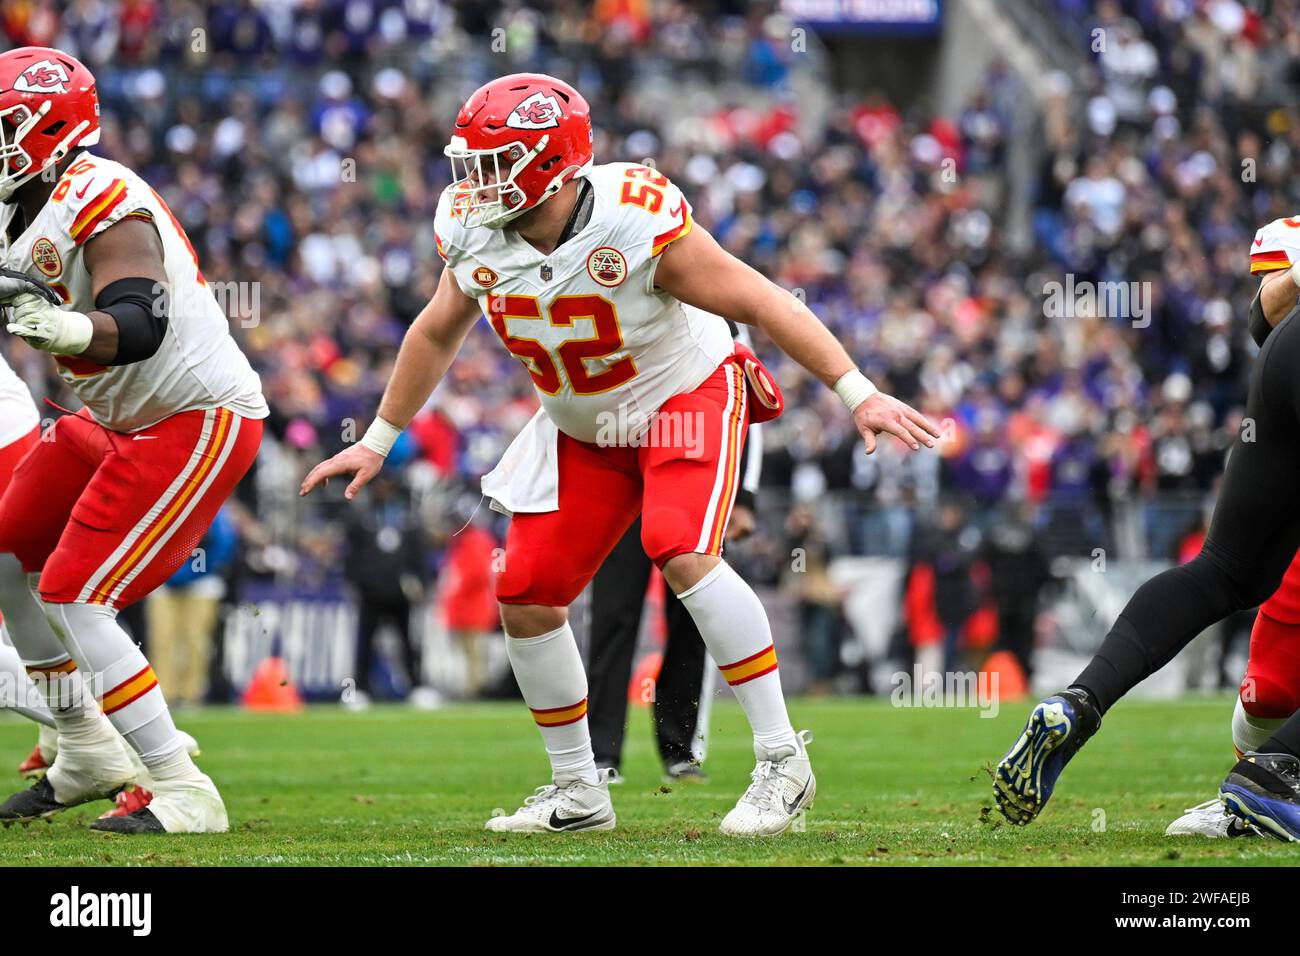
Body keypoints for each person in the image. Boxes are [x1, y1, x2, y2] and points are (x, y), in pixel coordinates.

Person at [303, 73, 938, 837]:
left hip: (683, 394)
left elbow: (761, 299)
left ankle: (782, 763)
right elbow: (437, 330)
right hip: (584, 425)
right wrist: (377, 439)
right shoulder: (471, 232)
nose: (474, 183)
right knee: (529, 590)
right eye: (470, 163)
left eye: (494, 163)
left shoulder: (635, 221)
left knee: (678, 549)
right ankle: (578, 790)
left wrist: (855, 390)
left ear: (550, 166)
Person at [0, 47, 266, 834]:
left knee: (76, 592)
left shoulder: (101, 193)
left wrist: (66, 326)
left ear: (49, 127)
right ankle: (84, 744)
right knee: (10, 553)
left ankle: (184, 788)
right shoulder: (13, 196)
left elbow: (140, 322)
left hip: (192, 415)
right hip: (113, 417)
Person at [991, 215, 1300, 840]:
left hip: (1282, 361)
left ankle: (1082, 698)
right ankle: (1277, 773)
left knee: (1223, 570)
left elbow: (1263, 317)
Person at [586, 323, 763, 783]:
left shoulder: (719, 308)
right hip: (624, 478)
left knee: (693, 615)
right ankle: (601, 754)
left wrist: (745, 494)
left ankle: (679, 749)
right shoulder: (622, 287)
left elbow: (745, 396)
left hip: (690, 475)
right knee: (612, 616)